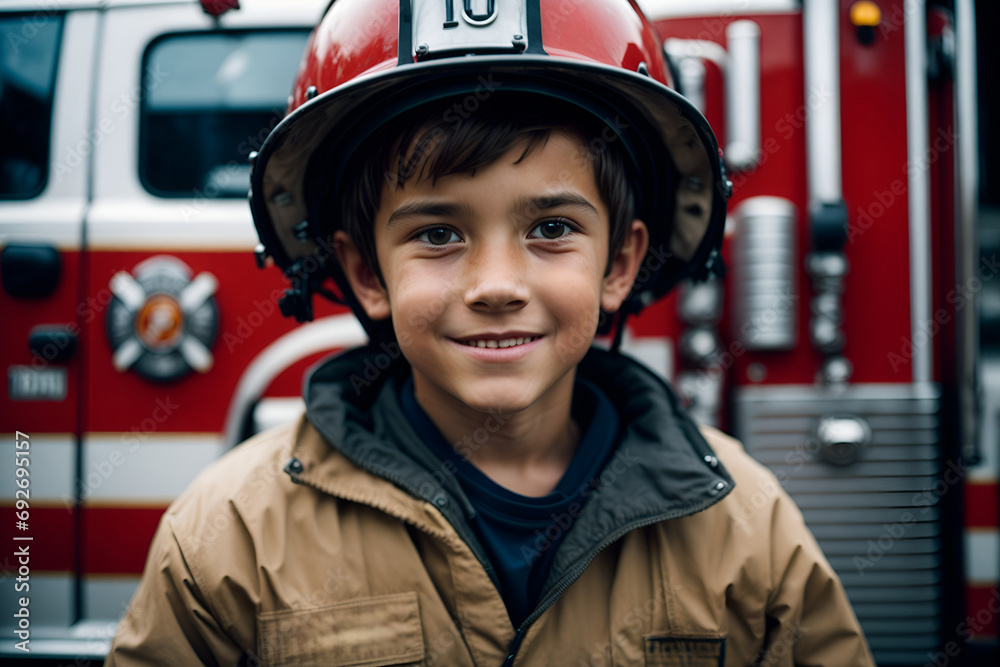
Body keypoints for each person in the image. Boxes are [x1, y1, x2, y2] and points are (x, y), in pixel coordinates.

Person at [107, 0, 874, 664]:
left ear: (620, 263)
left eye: (551, 227)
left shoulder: (745, 525)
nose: (497, 285)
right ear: (367, 272)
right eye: (438, 234)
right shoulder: (230, 535)